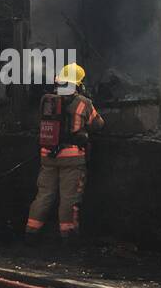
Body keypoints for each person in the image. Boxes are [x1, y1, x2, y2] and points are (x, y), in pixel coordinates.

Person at [25, 62, 104, 246]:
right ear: (78, 84)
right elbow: (98, 124)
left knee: (44, 195)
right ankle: (68, 237)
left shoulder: (46, 100)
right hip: (72, 159)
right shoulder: (84, 103)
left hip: (48, 156)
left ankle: (31, 232)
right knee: (69, 198)